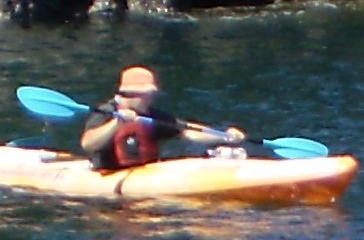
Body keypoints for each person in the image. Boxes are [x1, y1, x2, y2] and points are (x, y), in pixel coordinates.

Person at [79, 66, 242, 169]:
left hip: (144, 174)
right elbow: (88, 144)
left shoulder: (150, 115)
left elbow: (188, 132)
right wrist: (117, 123)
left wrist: (225, 136)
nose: (151, 99)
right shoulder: (106, 112)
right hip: (108, 174)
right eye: (147, 95)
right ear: (130, 94)